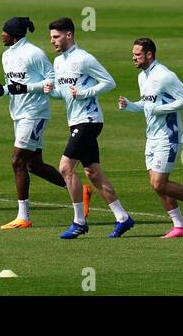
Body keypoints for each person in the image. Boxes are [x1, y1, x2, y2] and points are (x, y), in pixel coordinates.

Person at [43, 17, 134, 239]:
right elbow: (65, 93)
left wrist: (85, 93)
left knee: (65, 168)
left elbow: (109, 82)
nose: (52, 41)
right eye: (51, 37)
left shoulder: (84, 59)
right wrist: (50, 91)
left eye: (56, 37)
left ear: (69, 35)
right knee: (93, 173)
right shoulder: (58, 62)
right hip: (76, 121)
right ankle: (123, 218)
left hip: (89, 121)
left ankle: (79, 222)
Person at [118, 37, 183, 238]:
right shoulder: (143, 77)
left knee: (160, 183)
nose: (133, 58)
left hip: (168, 136)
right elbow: (148, 105)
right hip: (151, 136)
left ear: (149, 54)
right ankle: (180, 226)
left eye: (137, 55)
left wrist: (160, 109)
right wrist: (130, 105)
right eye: (133, 54)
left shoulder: (165, 75)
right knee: (155, 184)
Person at [0, 16, 70, 229]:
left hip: (35, 113)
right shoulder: (7, 55)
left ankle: (23, 216)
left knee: (17, 161)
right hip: (18, 114)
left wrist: (27, 89)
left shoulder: (34, 53)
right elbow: (15, 85)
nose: (2, 35)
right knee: (33, 165)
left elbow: (53, 80)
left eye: (5, 31)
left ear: (14, 35)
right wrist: (4, 91)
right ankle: (76, 189)